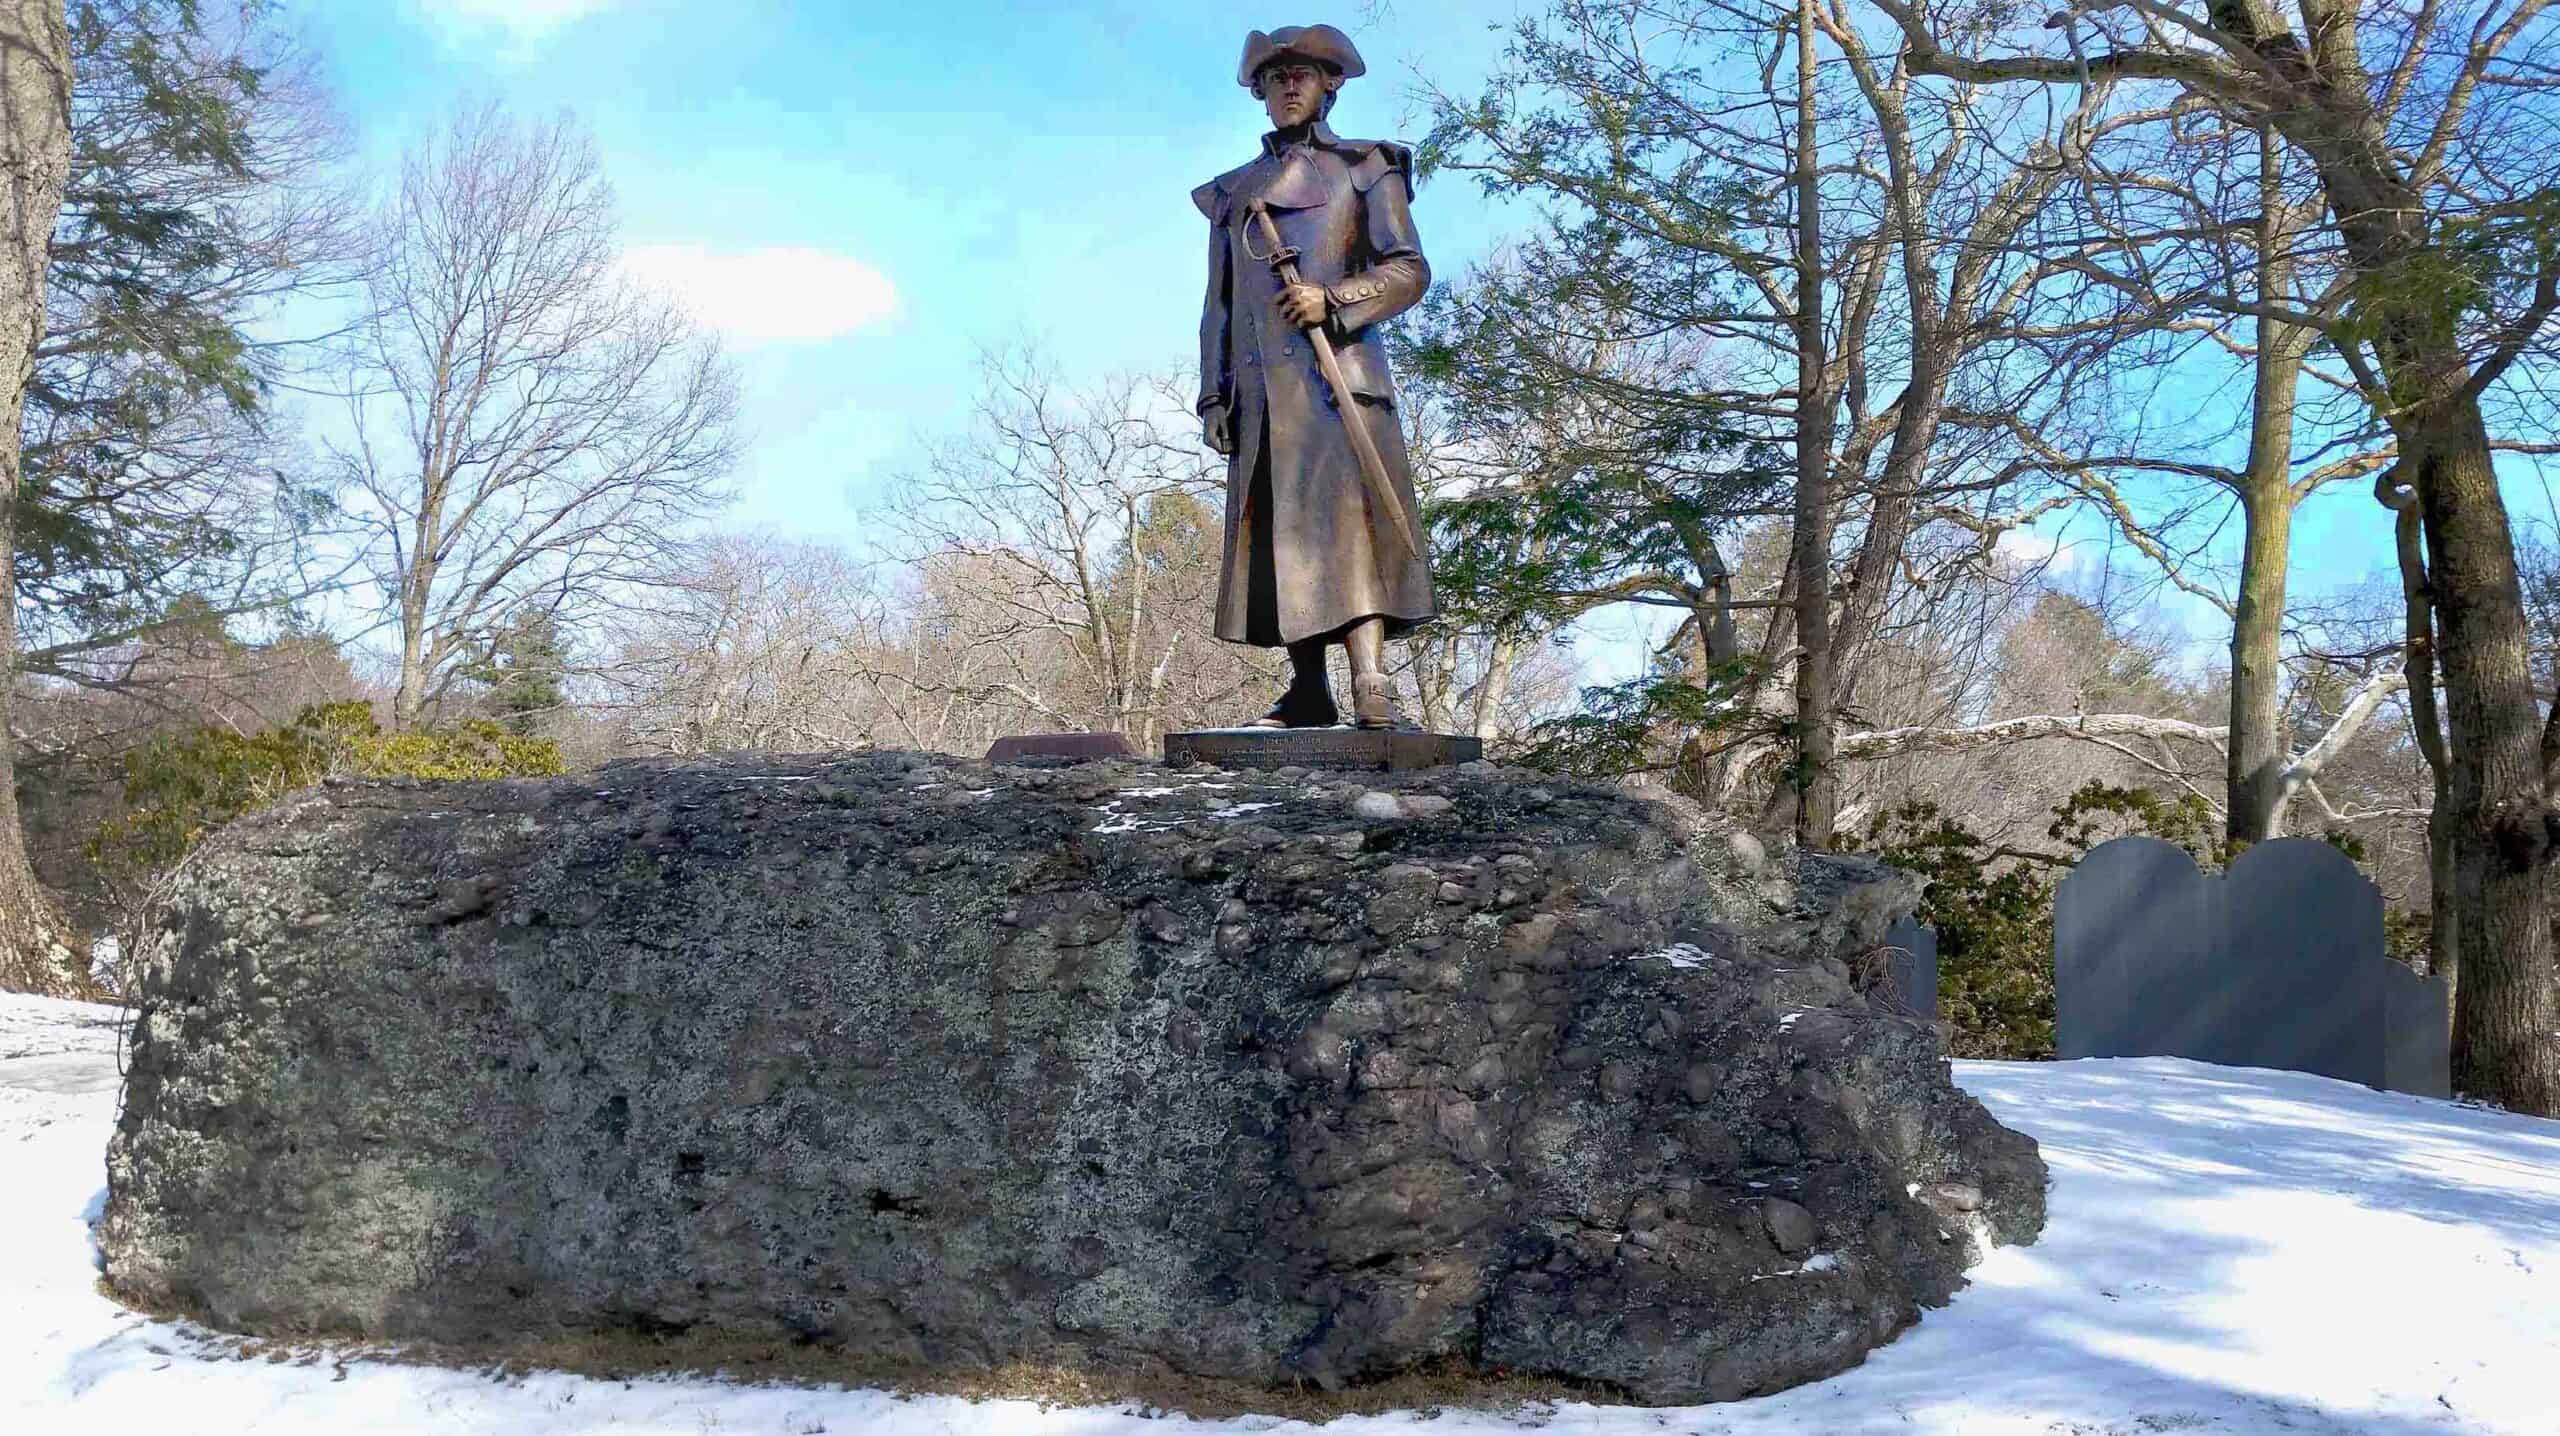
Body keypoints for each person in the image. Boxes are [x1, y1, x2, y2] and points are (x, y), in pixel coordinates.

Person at [1193, 23, 1437, 729]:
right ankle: (1308, 689)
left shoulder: (1367, 167)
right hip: (1262, 392)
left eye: (1303, 73)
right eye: (1276, 77)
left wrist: (1332, 300)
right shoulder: (1235, 195)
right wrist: (1213, 393)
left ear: (1330, 84)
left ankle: (1371, 681)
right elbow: (1219, 304)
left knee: (1349, 525)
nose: (1289, 85)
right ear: (1260, 94)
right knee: (1279, 529)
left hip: (1340, 384)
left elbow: (1408, 269)